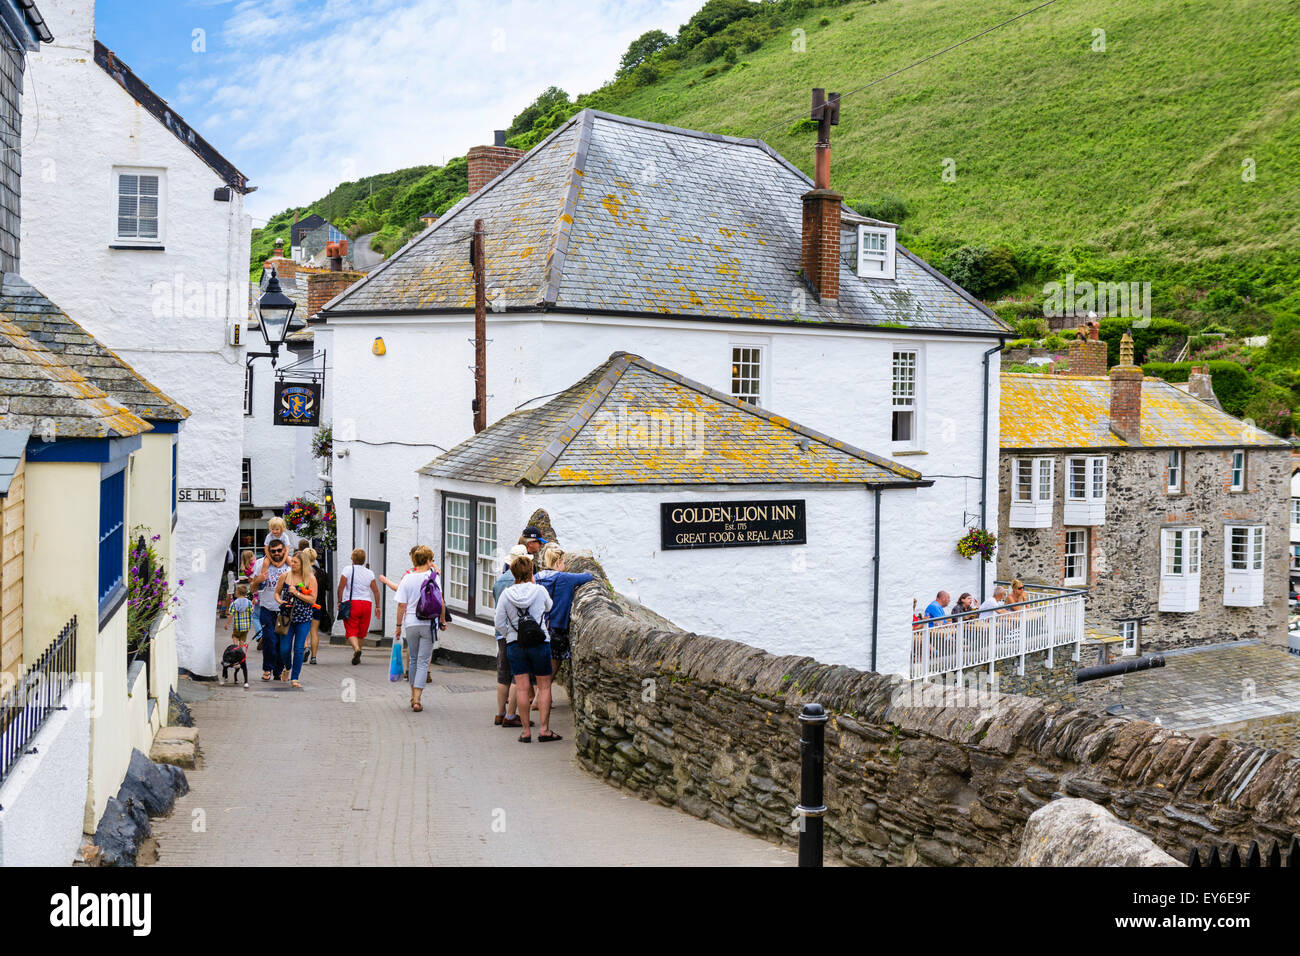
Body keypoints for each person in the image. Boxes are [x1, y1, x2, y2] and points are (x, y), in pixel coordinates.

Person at [495, 554, 558, 743]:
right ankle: (544, 730)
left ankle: (525, 732)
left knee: (522, 688)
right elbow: (549, 607)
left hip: (516, 645)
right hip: (540, 642)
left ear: (513, 572)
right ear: (531, 571)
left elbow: (499, 622)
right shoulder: (539, 590)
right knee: (544, 686)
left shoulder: (506, 594)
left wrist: (510, 635)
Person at [394, 546, 445, 712]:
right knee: (423, 661)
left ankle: (412, 695)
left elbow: (401, 605)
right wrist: (442, 621)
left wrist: (398, 626)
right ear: (429, 560)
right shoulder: (433, 578)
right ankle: (417, 699)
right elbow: (441, 602)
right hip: (429, 624)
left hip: (411, 624)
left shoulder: (407, 579)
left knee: (414, 660)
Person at [535, 544, 594, 677]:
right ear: (558, 562)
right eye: (564, 562)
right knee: (550, 671)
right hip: (557, 627)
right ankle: (541, 696)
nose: (566, 565)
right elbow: (589, 576)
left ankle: (534, 696)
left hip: (538, 626)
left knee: (538, 668)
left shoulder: (537, 577)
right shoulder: (565, 578)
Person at [494, 545, 529, 727]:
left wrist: (504, 632)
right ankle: (510, 715)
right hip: (518, 635)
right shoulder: (529, 583)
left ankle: (499, 714)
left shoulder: (499, 581)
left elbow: (497, 612)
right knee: (518, 675)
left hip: (502, 634)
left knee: (503, 674)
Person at [274, 548, 318, 688]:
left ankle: (295, 678)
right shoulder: (285, 576)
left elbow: (312, 600)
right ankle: (287, 667)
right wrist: (280, 601)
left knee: (299, 648)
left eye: (295, 562)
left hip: (303, 617)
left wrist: (297, 593)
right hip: (286, 618)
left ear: (303, 564)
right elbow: (276, 593)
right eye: (292, 561)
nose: (292, 564)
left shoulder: (310, 578)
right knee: (284, 649)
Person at [250, 539, 291, 680]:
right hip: (267, 608)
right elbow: (252, 588)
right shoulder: (261, 563)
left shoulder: (290, 564)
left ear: (284, 550)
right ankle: (267, 669)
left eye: (279, 550)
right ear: (269, 551)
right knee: (269, 640)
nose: (277, 553)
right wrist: (258, 580)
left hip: (285, 610)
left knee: (281, 643)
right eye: (273, 551)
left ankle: (278, 671)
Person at [339, 548, 382, 665]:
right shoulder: (370, 573)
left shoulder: (347, 569)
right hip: (366, 604)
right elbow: (376, 591)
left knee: (351, 629)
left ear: (352, 558)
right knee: (362, 631)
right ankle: (357, 653)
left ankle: (357, 649)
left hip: (352, 603)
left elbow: (341, 587)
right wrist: (377, 606)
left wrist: (339, 601)